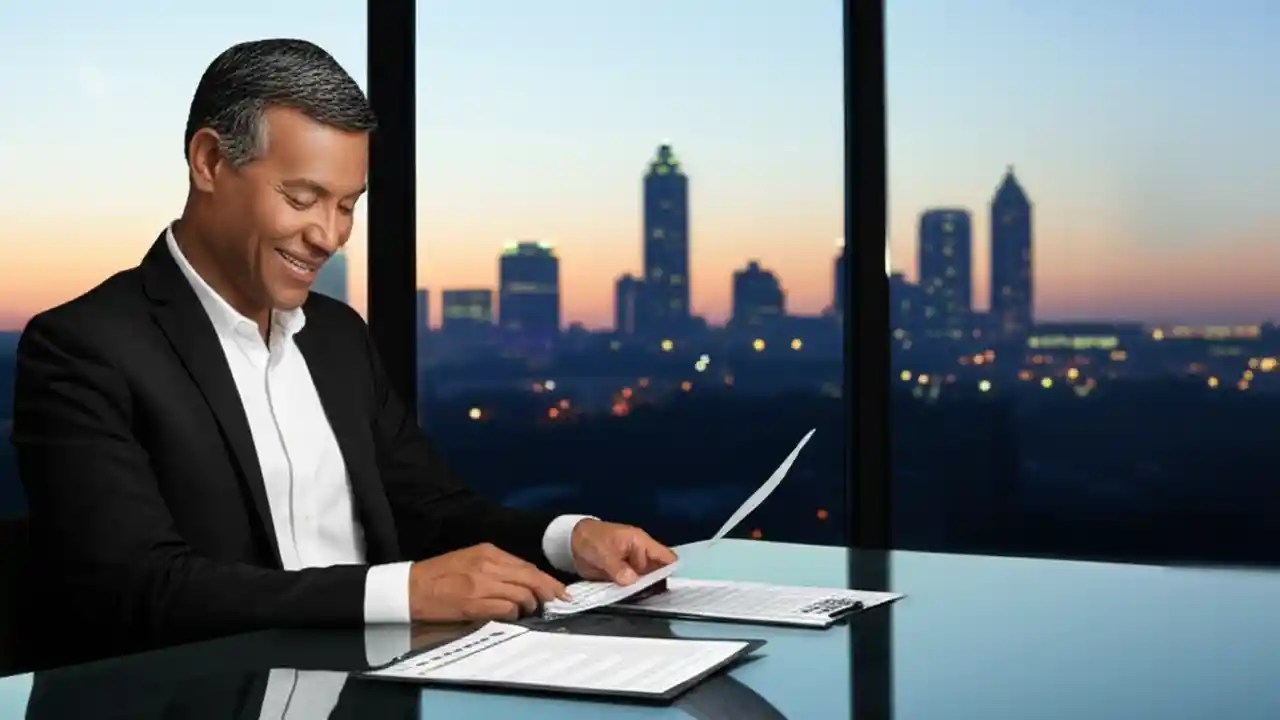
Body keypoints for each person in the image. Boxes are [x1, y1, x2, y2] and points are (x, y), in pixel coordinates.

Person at [11, 38, 676, 668]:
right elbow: (136, 589)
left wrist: (570, 538)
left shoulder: (337, 336)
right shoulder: (84, 348)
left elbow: (436, 511)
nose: (329, 235)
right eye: (302, 199)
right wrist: (399, 594)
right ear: (209, 162)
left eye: (347, 205)